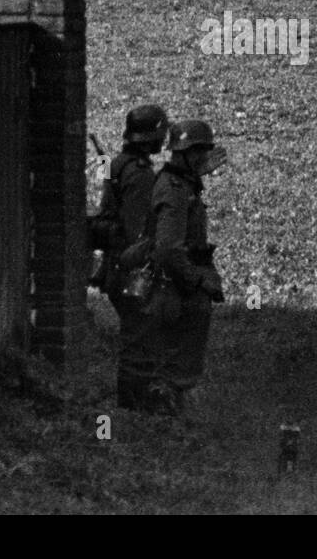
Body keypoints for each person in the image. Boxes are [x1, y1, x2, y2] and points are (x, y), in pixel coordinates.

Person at [89, 105, 171, 412]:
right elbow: (138, 232)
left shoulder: (120, 164)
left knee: (136, 333)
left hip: (114, 264)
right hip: (129, 268)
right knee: (140, 334)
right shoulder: (138, 173)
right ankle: (135, 407)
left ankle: (135, 404)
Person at [152, 119, 227, 413]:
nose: (203, 157)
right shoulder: (175, 189)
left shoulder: (183, 184)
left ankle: (170, 417)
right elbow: (169, 250)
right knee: (174, 360)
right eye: (197, 151)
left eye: (204, 151)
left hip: (180, 282)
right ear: (181, 153)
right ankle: (164, 420)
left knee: (179, 357)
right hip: (176, 286)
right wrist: (197, 281)